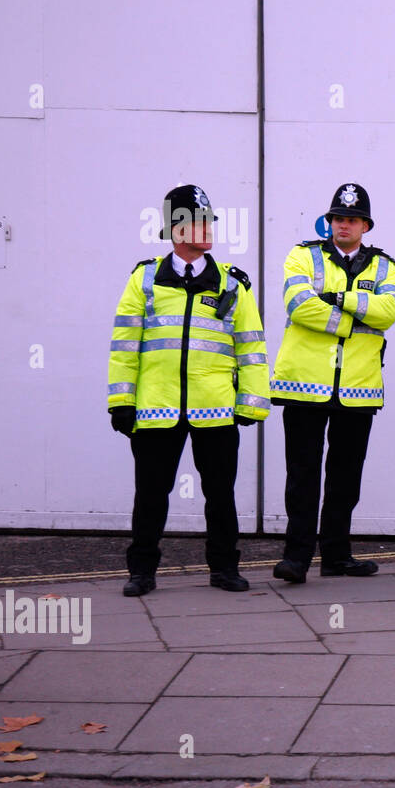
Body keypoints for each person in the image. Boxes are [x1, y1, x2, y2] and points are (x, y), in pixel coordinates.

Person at [107, 184, 269, 597]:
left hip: (214, 408)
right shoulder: (144, 279)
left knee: (220, 495)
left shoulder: (232, 284)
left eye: (208, 221)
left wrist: (251, 403)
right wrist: (122, 402)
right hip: (156, 408)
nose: (207, 229)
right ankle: (141, 571)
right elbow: (125, 346)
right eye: (197, 221)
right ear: (175, 229)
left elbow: (251, 345)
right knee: (150, 495)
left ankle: (223, 569)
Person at [270, 183, 395, 584]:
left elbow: (391, 309)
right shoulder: (302, 255)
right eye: (338, 219)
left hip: (358, 388)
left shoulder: (386, 266)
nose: (344, 225)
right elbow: (298, 303)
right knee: (302, 477)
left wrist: (338, 298)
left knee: (346, 478)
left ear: (365, 225)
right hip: (303, 386)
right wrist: (353, 322)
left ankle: (336, 556)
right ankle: (296, 558)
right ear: (329, 222)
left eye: (352, 219)